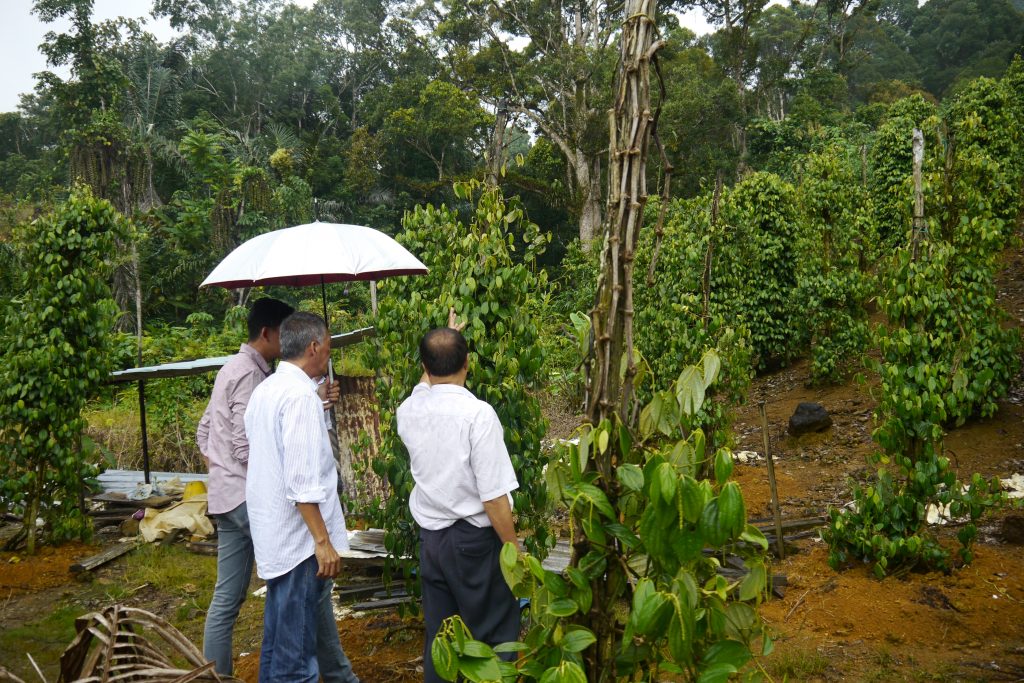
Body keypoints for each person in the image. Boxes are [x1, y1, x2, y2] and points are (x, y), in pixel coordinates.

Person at [396, 326, 522, 683]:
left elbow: (425, 383)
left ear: (424, 366)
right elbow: (493, 497)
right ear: (468, 362)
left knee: (443, 638)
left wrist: (443, 341)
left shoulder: (409, 410)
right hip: (474, 545)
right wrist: (513, 549)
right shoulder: (478, 415)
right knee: (495, 633)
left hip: (432, 543)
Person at [245, 311, 359, 683]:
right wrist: (322, 542)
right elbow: (301, 481)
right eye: (327, 347)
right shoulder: (298, 397)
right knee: (296, 661)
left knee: (277, 646)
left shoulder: (266, 391)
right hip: (299, 545)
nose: (328, 354)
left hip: (274, 536)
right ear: (313, 347)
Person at [197, 297, 294, 676]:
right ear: (267, 333)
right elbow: (245, 446)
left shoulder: (230, 368)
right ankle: (291, 669)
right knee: (293, 577)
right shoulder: (250, 375)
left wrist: (219, 472)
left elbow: (204, 432)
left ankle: (217, 676)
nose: (289, 342)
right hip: (246, 498)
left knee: (228, 596)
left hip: (225, 496)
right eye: (285, 334)